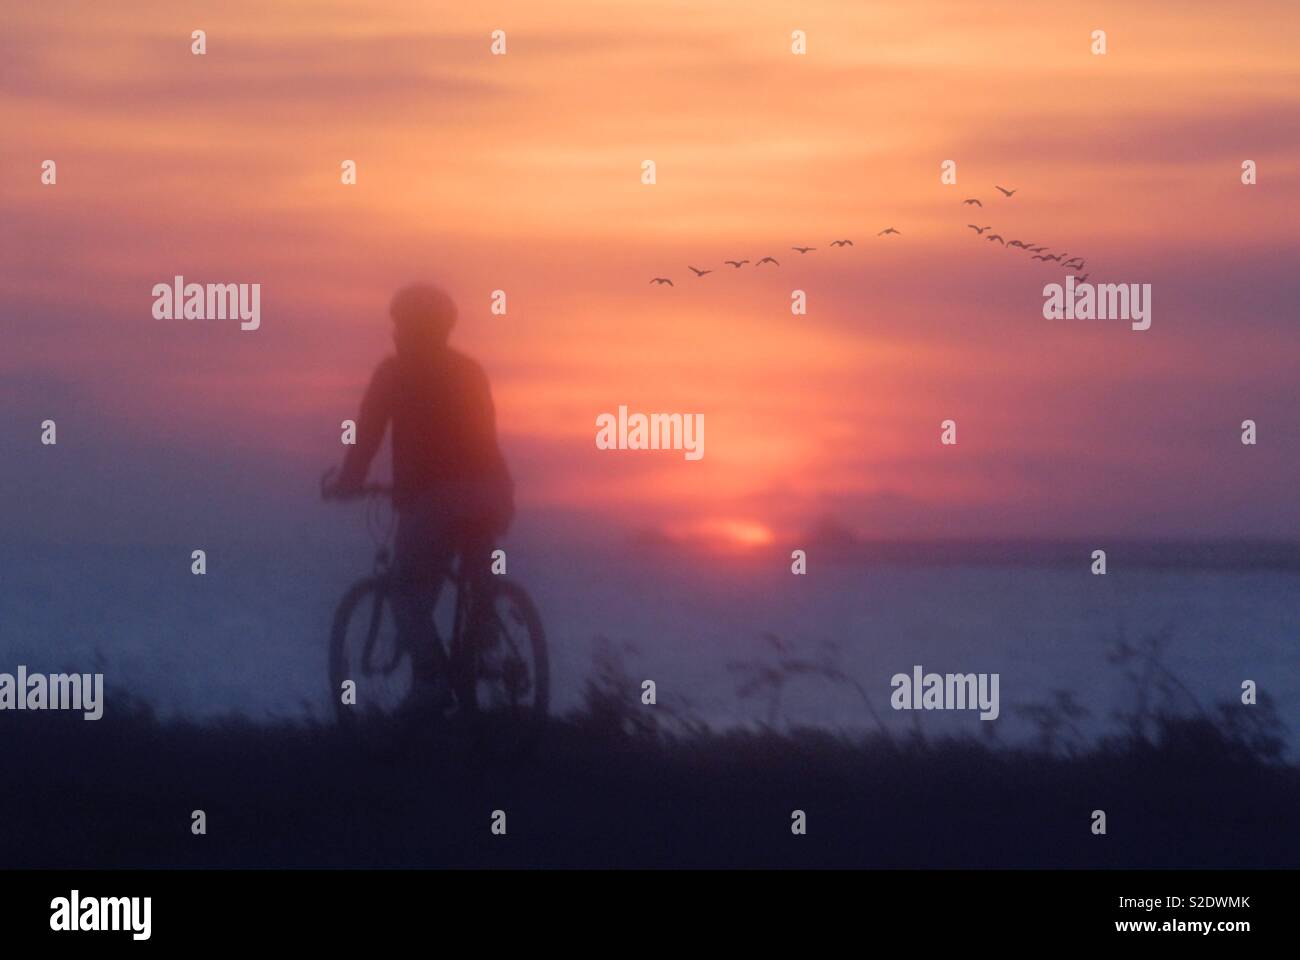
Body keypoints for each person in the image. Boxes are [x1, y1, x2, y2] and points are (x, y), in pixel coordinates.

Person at [324, 283, 514, 706]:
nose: (394, 332)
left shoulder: (393, 373)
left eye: (398, 324)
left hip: (433, 501)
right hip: (488, 494)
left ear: (409, 327)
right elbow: (487, 438)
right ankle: (482, 636)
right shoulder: (469, 371)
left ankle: (430, 682)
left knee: (405, 592)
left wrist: (349, 481)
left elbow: (368, 433)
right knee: (475, 572)